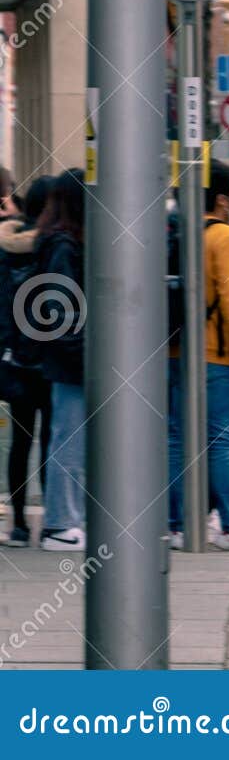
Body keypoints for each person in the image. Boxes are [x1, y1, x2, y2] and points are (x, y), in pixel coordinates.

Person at [167, 164, 229, 551]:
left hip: (175, 352)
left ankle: (175, 526)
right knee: (221, 443)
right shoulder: (224, 237)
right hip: (215, 356)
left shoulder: (178, 228)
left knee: (176, 440)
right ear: (221, 199)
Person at [33, 170, 86, 552]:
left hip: (68, 359)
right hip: (71, 362)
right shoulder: (64, 246)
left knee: (70, 439)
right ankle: (59, 524)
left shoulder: (60, 241)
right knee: (68, 440)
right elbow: (60, 311)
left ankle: (68, 519)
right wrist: (84, 356)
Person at [0, 176, 52, 547]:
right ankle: (54, 519)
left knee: (21, 440)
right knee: (53, 441)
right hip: (50, 360)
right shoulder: (56, 244)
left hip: (16, 358)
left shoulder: (6, 245)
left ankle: (18, 522)